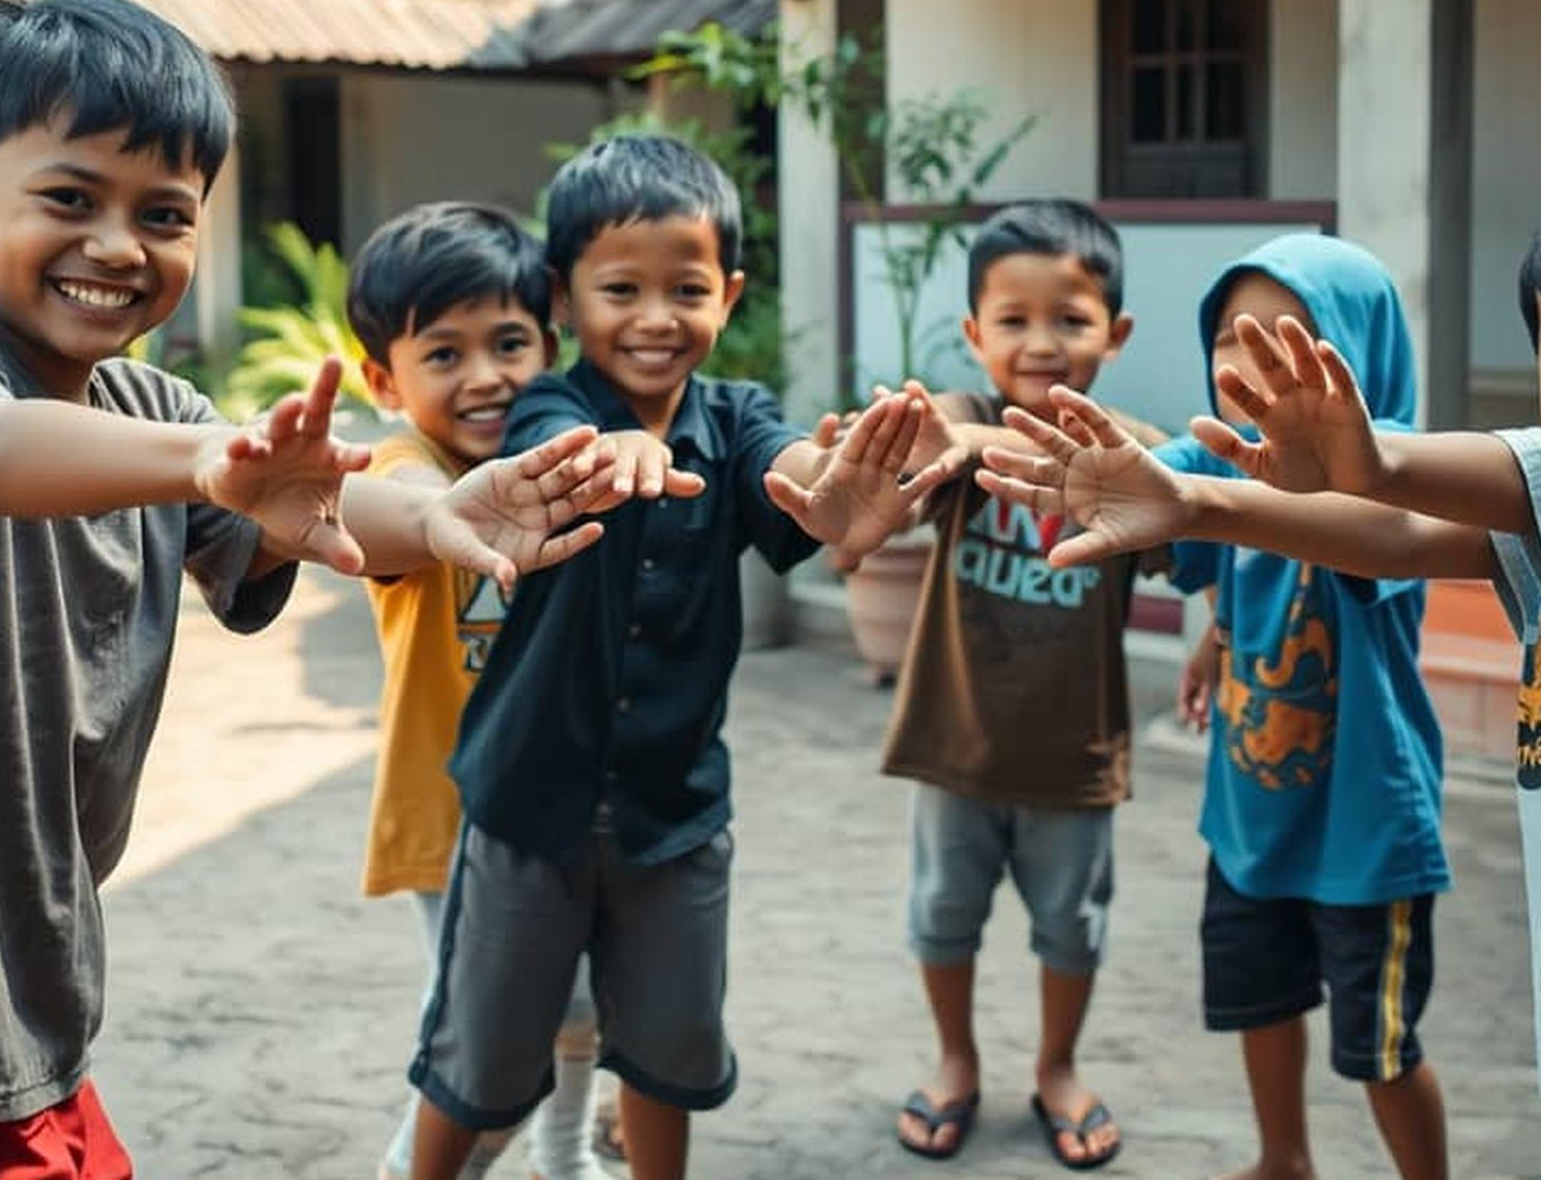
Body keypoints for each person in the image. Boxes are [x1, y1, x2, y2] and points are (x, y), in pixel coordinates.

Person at [0, 0, 621, 1180]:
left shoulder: (155, 410)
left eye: (162, 214)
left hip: (26, 1012)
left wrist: (438, 508)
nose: (116, 245)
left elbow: (312, 504)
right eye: (68, 198)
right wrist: (210, 465)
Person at [974, 155, 1541, 1180]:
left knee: (1378, 1042)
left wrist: (1373, 457)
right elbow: (1407, 536)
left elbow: (1408, 491)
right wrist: (1200, 508)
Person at [404, 133, 951, 1180]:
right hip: (527, 811)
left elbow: (790, 472)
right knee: (479, 1062)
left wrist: (830, 487)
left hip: (675, 820)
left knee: (667, 1054)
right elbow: (555, 447)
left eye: (686, 288)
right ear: (563, 300)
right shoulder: (549, 411)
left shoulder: (738, 419)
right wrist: (619, 453)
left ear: (728, 295)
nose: (656, 317)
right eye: (621, 288)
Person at [1159, 235, 1450, 1180]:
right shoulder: (1234, 463)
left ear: (1354, 361)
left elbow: (1365, 550)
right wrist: (1215, 634)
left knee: (1382, 1046)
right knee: (1261, 998)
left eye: (1284, 344)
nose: (1249, 370)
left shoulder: (1398, 484)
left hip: (1365, 833)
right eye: (1230, 344)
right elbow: (1207, 534)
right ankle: (1282, 1157)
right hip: (1251, 814)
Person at [880, 199, 1157, 1171]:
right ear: (974, 335)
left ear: (1113, 335)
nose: (1042, 344)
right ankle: (955, 1061)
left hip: (1072, 754)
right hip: (953, 744)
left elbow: (1207, 540)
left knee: (1070, 929)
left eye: (1070, 321)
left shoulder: (1134, 456)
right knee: (942, 915)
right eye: (1013, 321)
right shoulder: (963, 426)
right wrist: (944, 443)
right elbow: (933, 442)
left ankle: (1056, 1068)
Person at [345, 202, 608, 1180]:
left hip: (568, 805)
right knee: (481, 1031)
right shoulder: (403, 467)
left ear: (553, 342)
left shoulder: (572, 460)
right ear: (385, 380)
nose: (485, 376)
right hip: (450, 816)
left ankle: (566, 1153)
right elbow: (382, 518)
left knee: (584, 1008)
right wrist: (447, 512)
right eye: (443, 354)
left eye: (509, 343)